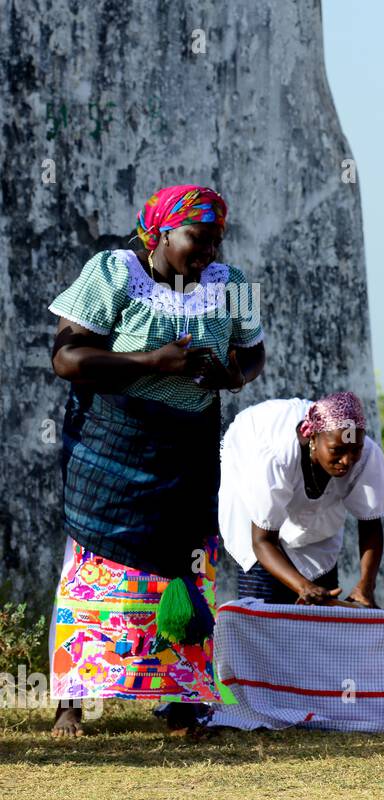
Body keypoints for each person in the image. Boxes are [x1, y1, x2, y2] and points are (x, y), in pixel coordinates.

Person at [47, 184, 265, 737]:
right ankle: (72, 703)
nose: (208, 253)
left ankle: (185, 699)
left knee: (188, 567)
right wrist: (151, 362)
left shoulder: (232, 285)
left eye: (216, 241)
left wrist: (231, 375)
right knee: (98, 568)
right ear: (161, 232)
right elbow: (67, 357)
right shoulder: (115, 273)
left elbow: (254, 350)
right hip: (114, 448)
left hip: (188, 451)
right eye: (196, 238)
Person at [219, 392, 384, 606]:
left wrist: (366, 586)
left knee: (320, 618)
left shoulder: (366, 454)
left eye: (355, 450)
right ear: (313, 438)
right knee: (265, 617)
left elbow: (370, 522)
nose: (347, 460)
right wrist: (303, 586)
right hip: (256, 510)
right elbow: (262, 541)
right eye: (337, 450)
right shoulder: (276, 455)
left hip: (316, 530)